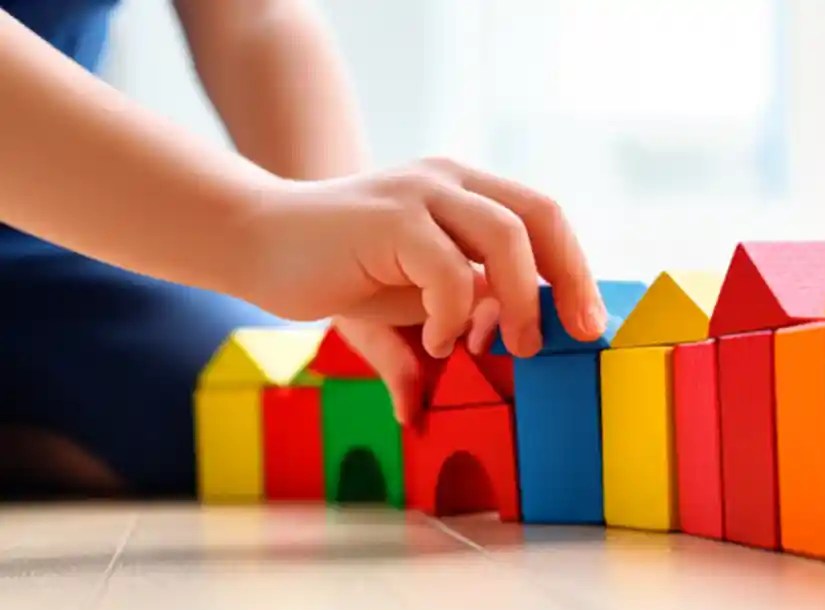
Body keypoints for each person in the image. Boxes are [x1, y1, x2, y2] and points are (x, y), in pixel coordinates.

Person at [0, 1, 602, 497]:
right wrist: (261, 225)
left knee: (242, 408)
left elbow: (253, 19)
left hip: (56, 239)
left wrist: (346, 241)